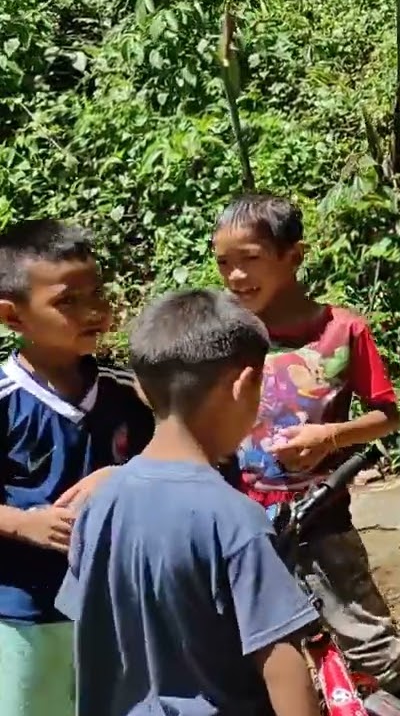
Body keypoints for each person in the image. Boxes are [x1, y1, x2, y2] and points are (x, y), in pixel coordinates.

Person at [211, 195, 400, 713]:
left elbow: (387, 415)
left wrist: (327, 437)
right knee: (259, 642)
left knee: (365, 634)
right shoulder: (223, 335)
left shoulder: (342, 332)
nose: (236, 277)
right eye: (224, 263)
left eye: (249, 259)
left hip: (322, 519)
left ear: (294, 255)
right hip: (240, 523)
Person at [56, 289, 320, 716]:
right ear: (245, 385)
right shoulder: (235, 519)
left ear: (141, 389)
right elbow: (283, 667)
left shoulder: (99, 503)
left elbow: (86, 625)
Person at [0, 220, 153, 716]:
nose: (94, 311)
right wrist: (24, 523)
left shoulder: (128, 392)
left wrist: (125, 477)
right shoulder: (6, 400)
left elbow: (177, 462)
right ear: (12, 316)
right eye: (68, 301)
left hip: (115, 605)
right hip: (24, 612)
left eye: (98, 294)